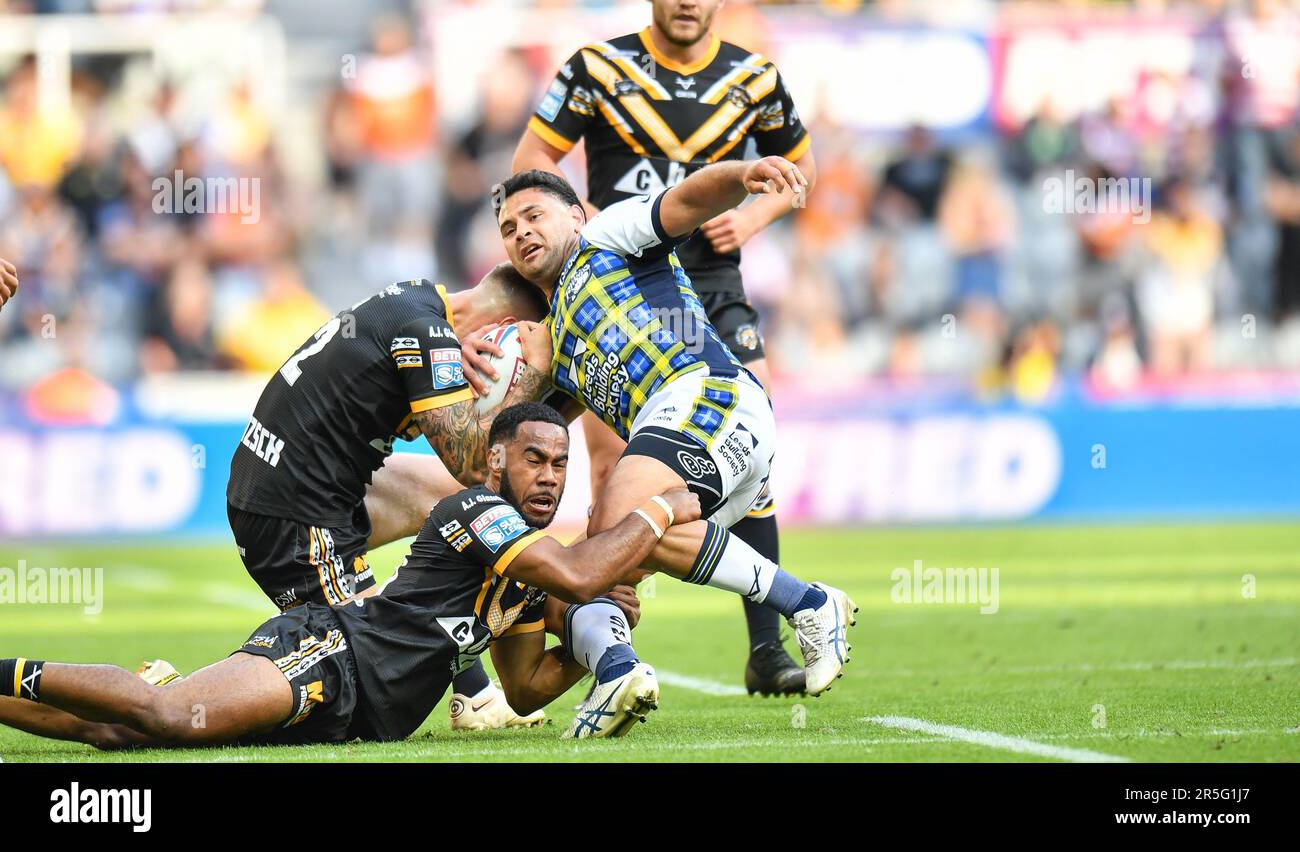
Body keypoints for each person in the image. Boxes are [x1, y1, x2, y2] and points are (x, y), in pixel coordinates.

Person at [0, 404, 702, 747]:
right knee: (170, 715)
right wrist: (661, 508)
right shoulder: (476, 509)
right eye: (534, 460)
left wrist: (583, 656)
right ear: (495, 465)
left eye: (559, 464)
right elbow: (579, 577)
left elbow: (524, 686)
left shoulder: (521, 574)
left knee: (123, 735)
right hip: (333, 656)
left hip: (354, 712)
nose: (548, 476)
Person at [508, 0, 817, 695]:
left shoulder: (754, 79)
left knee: (755, 448)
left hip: (711, 286)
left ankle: (765, 648)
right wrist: (574, 233)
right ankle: (609, 629)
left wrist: (752, 218)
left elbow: (799, 170)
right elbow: (531, 160)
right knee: (619, 468)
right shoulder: (598, 68)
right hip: (631, 288)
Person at [494, 162, 857, 697]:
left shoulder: (605, 236)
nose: (522, 231)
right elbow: (520, 433)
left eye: (533, 215)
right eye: (508, 228)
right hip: (713, 455)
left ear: (574, 215)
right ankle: (618, 675)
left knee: (616, 522)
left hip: (710, 395)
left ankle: (807, 604)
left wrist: (743, 175)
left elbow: (686, 200)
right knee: (603, 554)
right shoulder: (556, 344)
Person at [142, 268, 553, 731]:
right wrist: (531, 375)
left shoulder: (419, 302)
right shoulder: (427, 333)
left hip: (292, 482)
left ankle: (473, 694)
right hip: (292, 514)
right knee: (379, 654)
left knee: (464, 501)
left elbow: (469, 477)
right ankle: (169, 695)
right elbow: (476, 462)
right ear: (501, 331)